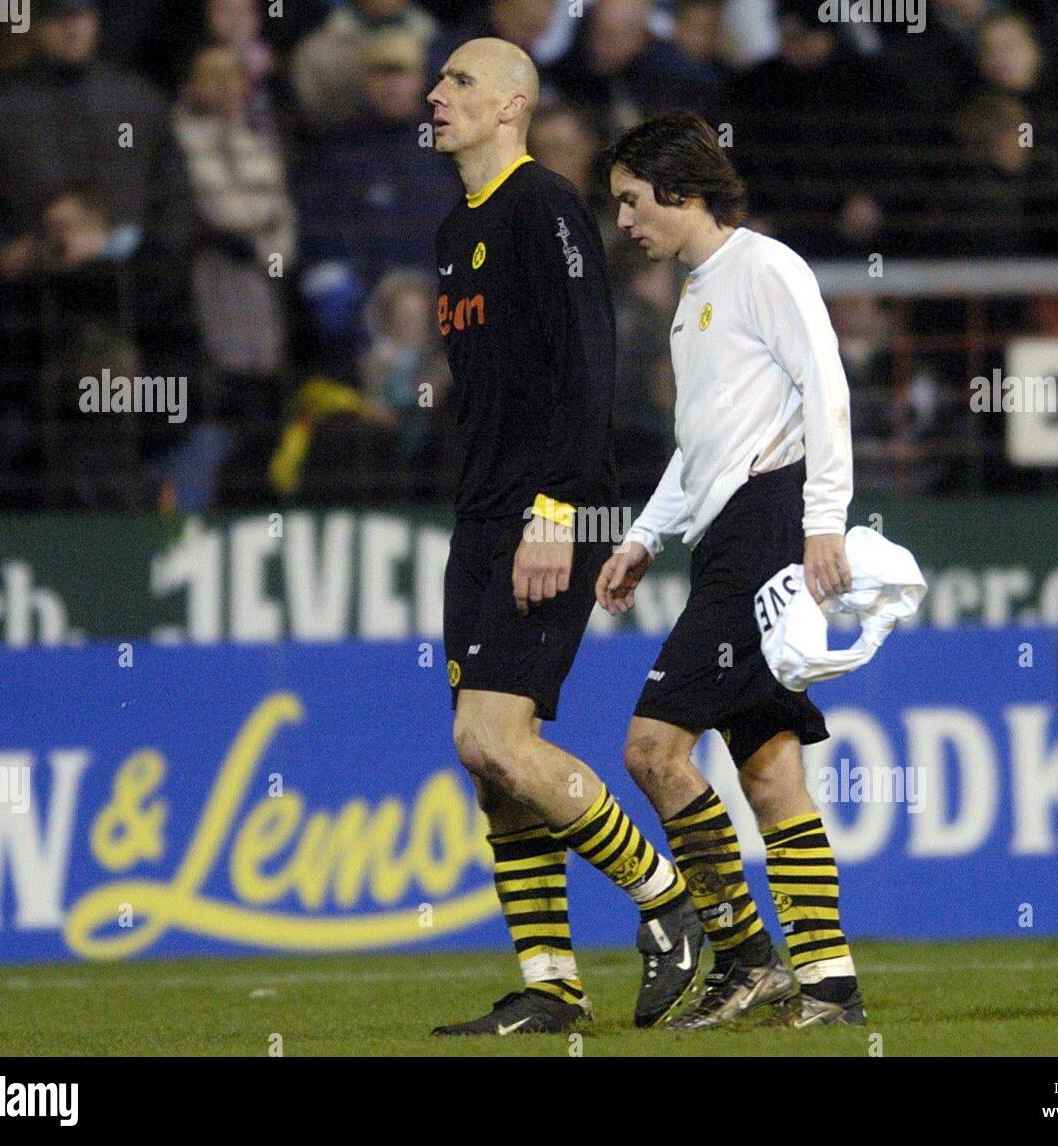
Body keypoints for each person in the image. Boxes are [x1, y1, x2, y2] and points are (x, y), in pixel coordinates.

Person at [425, 38, 702, 1036]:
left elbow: (587, 371)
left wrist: (554, 509)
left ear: (511, 106)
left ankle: (667, 902)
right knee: (493, 761)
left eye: (458, 81)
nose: (435, 94)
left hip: (556, 509)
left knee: (487, 734)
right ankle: (552, 982)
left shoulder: (543, 208)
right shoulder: (456, 230)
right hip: (485, 513)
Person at [597, 109, 866, 1029]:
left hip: (766, 527)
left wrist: (823, 519)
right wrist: (643, 537)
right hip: (727, 530)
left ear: (681, 189)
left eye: (633, 201)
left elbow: (826, 387)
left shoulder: (764, 268)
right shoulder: (696, 295)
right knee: (767, 769)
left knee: (651, 749)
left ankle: (743, 954)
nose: (626, 220)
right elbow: (699, 443)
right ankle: (827, 985)